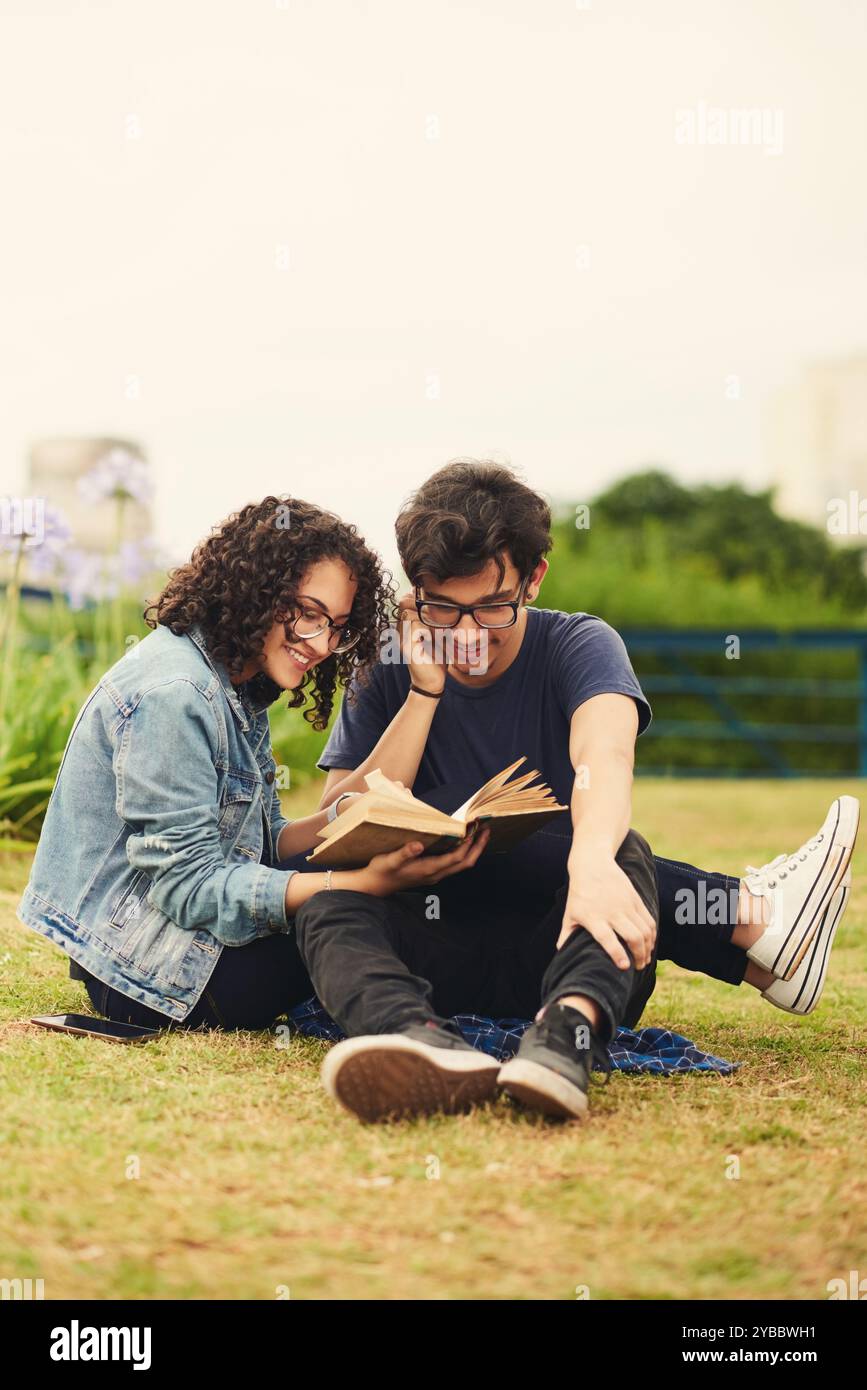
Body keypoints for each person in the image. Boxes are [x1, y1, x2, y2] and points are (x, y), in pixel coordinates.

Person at [297, 460, 859, 1122]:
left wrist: (590, 860)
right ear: (415, 594)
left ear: (533, 579)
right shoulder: (388, 662)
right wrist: (423, 691)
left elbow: (605, 751)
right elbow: (332, 827)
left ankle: (562, 1043)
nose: (468, 636)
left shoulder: (578, 643)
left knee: (620, 850)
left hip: (562, 949)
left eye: (492, 608)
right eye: (444, 608)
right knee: (327, 901)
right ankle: (411, 1039)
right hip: (429, 950)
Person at [17, 497, 492, 1031]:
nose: (321, 644)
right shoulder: (176, 694)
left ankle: (441, 1014)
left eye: (335, 625)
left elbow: (269, 843)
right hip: (158, 968)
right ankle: (426, 1034)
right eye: (308, 613)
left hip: (191, 943)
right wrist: (361, 883)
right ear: (255, 589)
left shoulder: (234, 681)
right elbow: (191, 889)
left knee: (410, 873)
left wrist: (423, 694)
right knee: (365, 915)